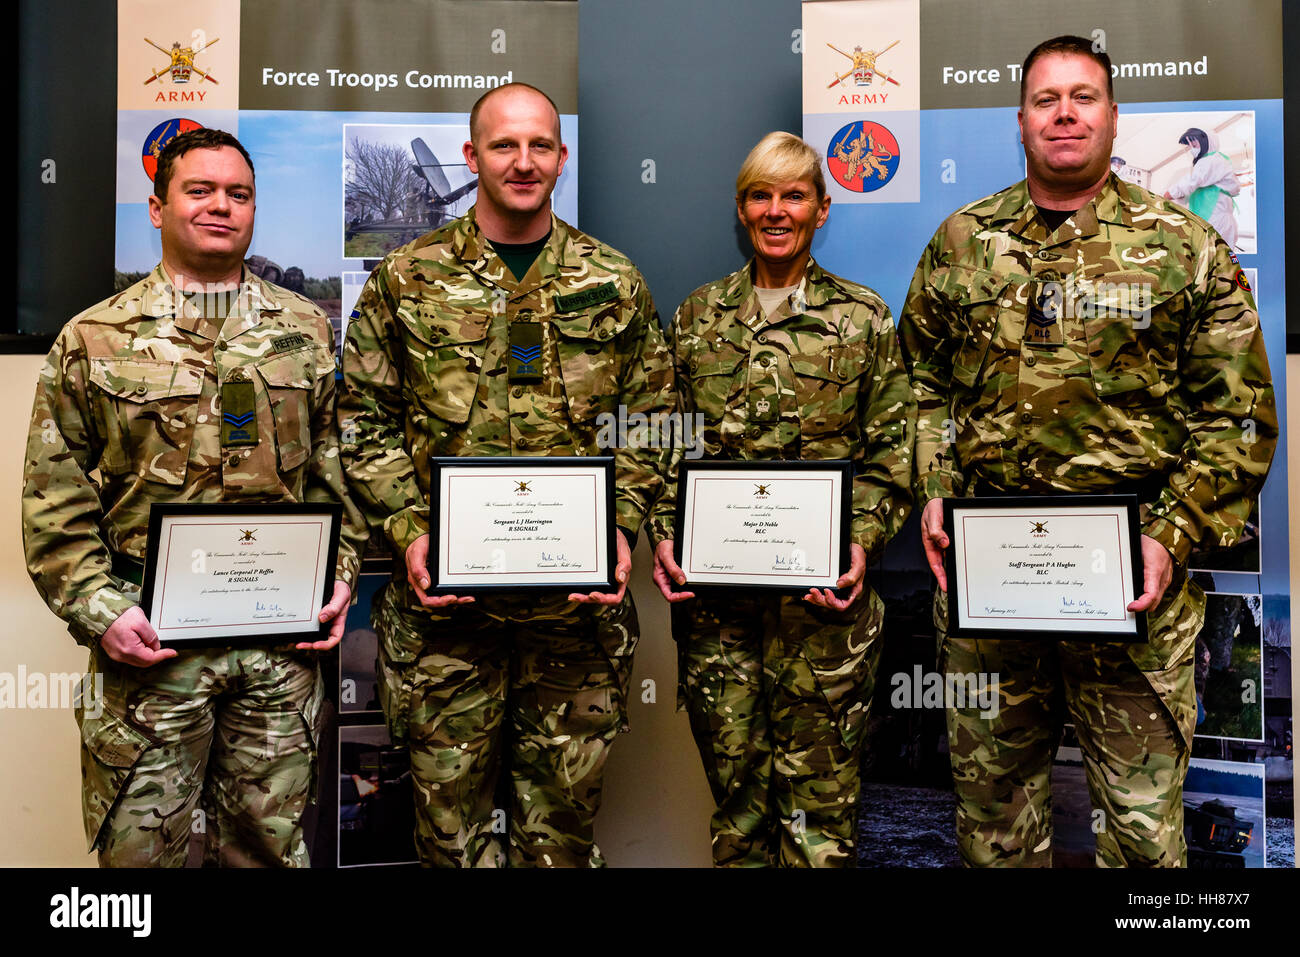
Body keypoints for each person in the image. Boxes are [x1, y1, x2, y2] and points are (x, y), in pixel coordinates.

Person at [898, 36, 1276, 867]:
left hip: (1134, 589)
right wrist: (933, 485)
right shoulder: (962, 241)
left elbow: (1239, 420)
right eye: (1046, 99)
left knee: (1144, 842)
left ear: (1112, 117)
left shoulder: (1187, 247)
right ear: (1020, 120)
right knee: (995, 831)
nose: (1064, 113)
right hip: (987, 586)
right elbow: (915, 381)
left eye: (1083, 97)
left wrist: (1170, 536)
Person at [338, 82, 673, 867]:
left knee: (558, 842)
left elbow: (651, 420)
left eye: (540, 145)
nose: (523, 162)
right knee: (448, 843)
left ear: (562, 155)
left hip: (575, 625)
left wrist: (621, 525)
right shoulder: (406, 279)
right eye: (503, 145)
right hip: (446, 624)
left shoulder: (613, 281)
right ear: (471, 156)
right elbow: (363, 418)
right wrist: (411, 532)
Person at [22, 128, 366, 867]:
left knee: (268, 853)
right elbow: (56, 502)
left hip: (278, 658)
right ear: (157, 207)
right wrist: (103, 612)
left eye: (238, 194)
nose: (221, 206)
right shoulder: (95, 338)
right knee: (141, 861)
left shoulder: (304, 329)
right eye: (200, 191)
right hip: (151, 657)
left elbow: (337, 478)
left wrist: (337, 579)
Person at [650, 132, 916, 867]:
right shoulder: (696, 319)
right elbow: (662, 446)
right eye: (761, 195)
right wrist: (662, 533)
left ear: (821, 210)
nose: (777, 211)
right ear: (742, 209)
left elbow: (895, 457)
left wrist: (859, 539)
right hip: (718, 620)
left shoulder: (863, 320)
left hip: (822, 616)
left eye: (794, 195)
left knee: (821, 823)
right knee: (738, 814)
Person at [1164, 127, 1242, 249]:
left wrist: (1169, 194)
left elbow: (1192, 181)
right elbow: (1193, 191)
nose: (1191, 149)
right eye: (1189, 146)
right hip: (1216, 221)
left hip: (1216, 220)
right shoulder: (1211, 164)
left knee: (1214, 259)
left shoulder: (1212, 160)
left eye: (1194, 145)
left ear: (1206, 142)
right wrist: (1178, 197)